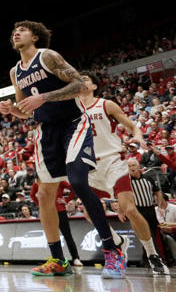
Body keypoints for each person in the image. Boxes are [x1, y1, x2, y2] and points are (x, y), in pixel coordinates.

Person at [0, 21, 126, 278]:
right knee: (44, 196)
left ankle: (113, 251)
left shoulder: (48, 56)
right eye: (13, 32)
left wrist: (44, 97)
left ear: (34, 36)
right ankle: (58, 260)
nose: (15, 34)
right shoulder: (15, 72)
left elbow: (79, 85)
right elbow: (27, 109)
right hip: (46, 132)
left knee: (78, 181)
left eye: (21, 30)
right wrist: (14, 110)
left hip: (73, 123)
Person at [79, 73, 168, 274]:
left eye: (84, 78)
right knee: (88, 212)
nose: (80, 80)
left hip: (113, 160)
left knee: (129, 209)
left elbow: (133, 127)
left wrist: (136, 139)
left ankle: (152, 254)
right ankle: (118, 240)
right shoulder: (71, 109)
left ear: (93, 85)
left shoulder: (106, 104)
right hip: (90, 166)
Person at [129, 159, 169, 268]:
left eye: (133, 165)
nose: (132, 167)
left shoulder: (148, 178)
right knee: (147, 234)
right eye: (129, 166)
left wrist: (159, 205)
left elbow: (157, 192)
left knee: (153, 234)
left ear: (138, 167)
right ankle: (157, 259)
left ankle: (148, 258)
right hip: (138, 211)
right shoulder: (127, 181)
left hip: (151, 209)